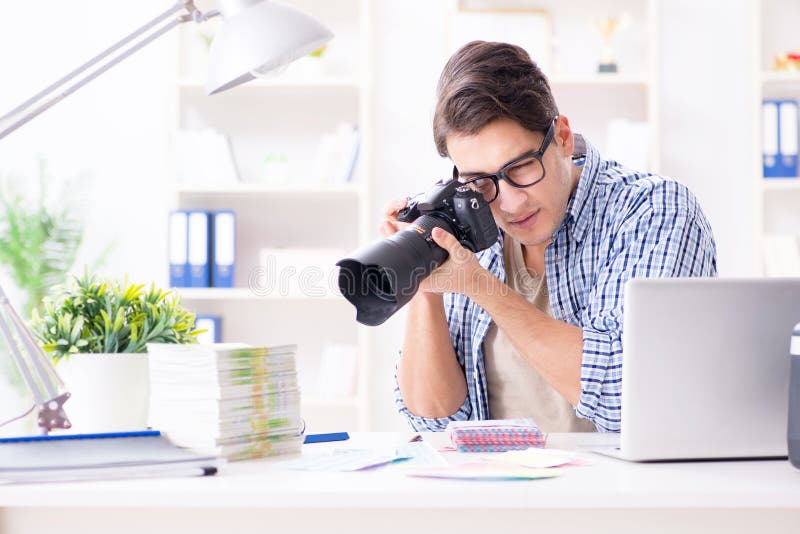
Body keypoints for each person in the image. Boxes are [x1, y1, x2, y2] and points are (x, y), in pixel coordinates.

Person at [383, 41, 717, 433]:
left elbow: (627, 397)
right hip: (489, 489)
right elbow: (434, 422)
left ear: (562, 136)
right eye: (478, 181)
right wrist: (425, 281)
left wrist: (481, 286)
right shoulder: (468, 228)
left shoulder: (652, 210)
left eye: (521, 167)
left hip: (622, 493)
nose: (508, 202)